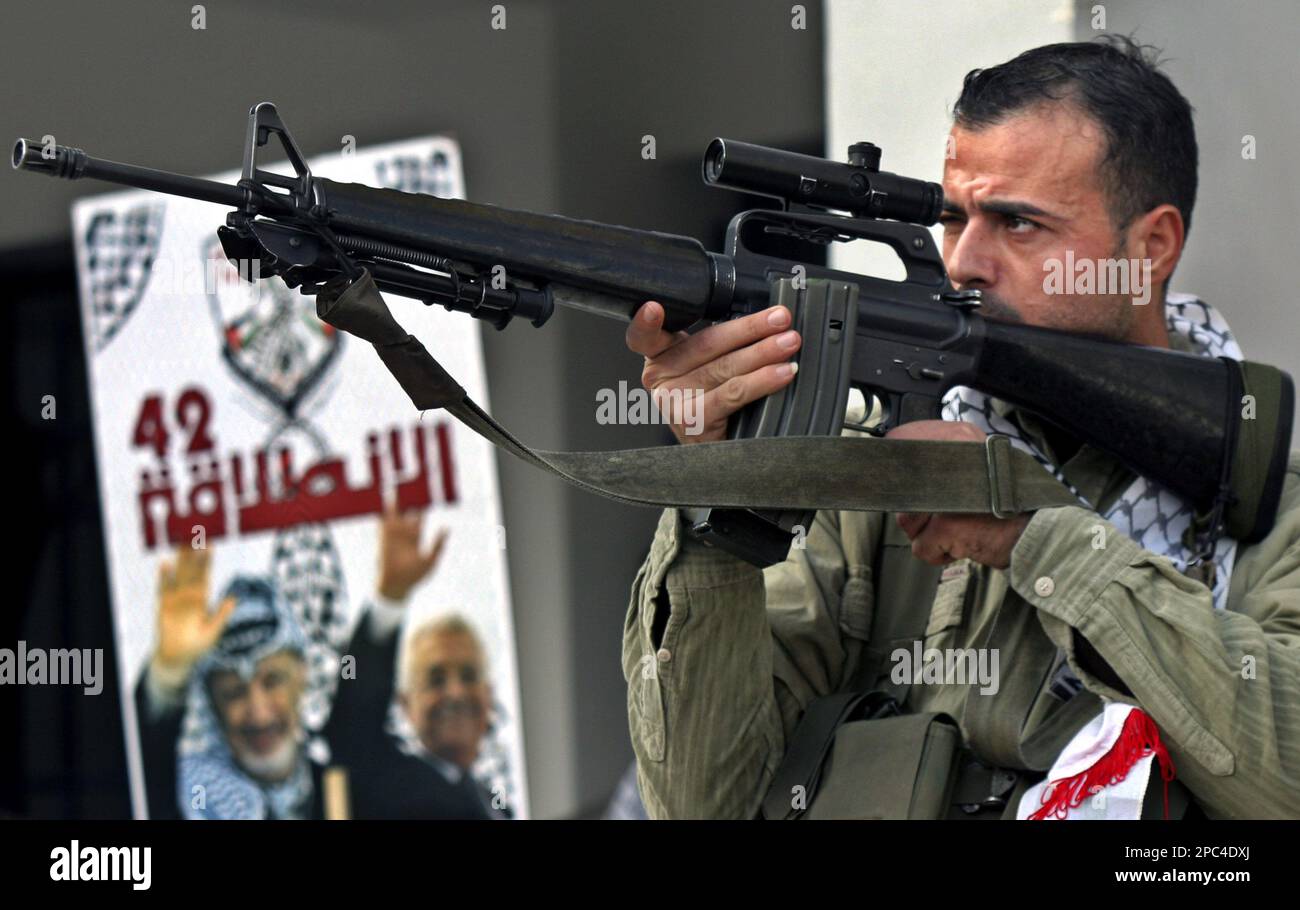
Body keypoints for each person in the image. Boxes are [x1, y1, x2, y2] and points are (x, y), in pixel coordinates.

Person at [621, 36, 1300, 819]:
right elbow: (706, 801)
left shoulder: (1270, 504)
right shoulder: (879, 481)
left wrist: (1033, 535)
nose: (966, 262)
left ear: (1149, 247)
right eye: (952, 220)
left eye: (1018, 224)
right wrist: (719, 490)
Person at [132, 507, 458, 819]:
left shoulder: (344, 781)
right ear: (212, 705)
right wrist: (170, 673)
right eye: (233, 692)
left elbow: (358, 724)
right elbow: (143, 772)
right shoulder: (197, 803)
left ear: (301, 677)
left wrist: (390, 598)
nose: (258, 711)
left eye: (272, 680)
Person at [333, 612, 506, 819]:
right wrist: (388, 603)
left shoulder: (493, 804)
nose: (456, 693)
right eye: (436, 680)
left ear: (489, 695)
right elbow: (353, 719)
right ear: (406, 704)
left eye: (469, 676)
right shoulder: (386, 790)